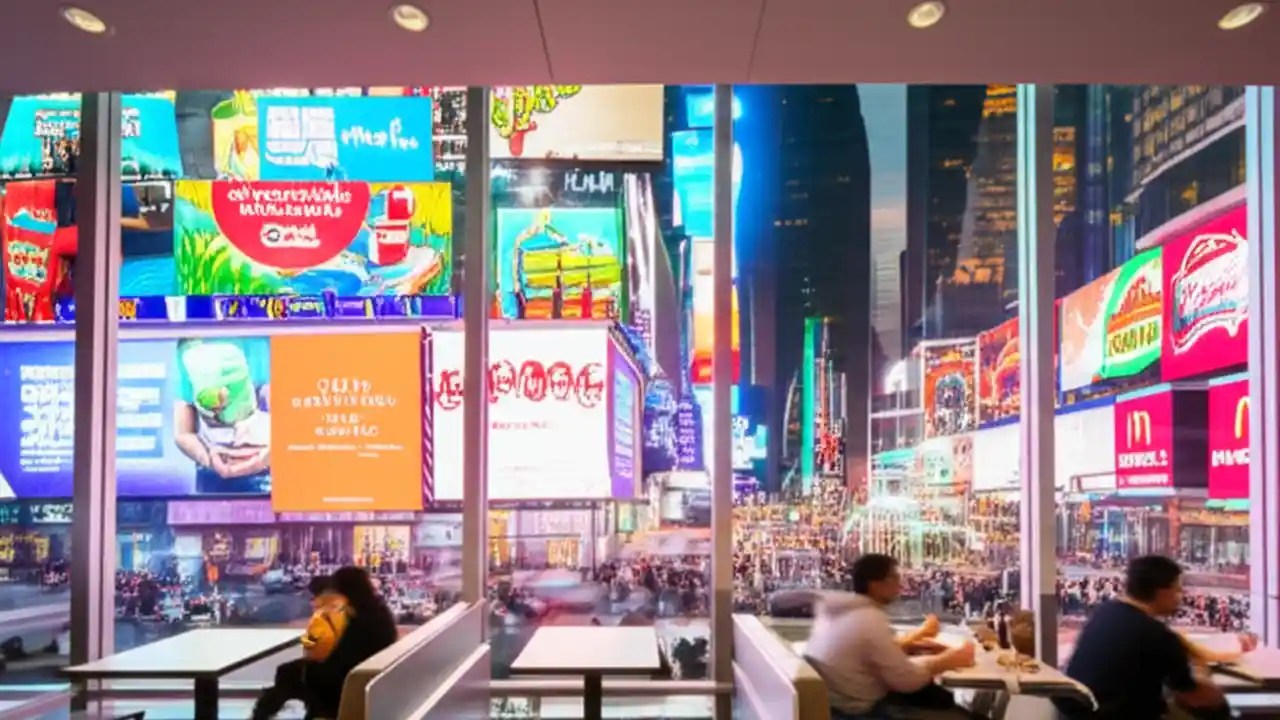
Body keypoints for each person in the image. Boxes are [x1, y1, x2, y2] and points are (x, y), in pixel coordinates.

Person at [772, 554, 977, 719]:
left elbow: (870, 652)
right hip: (857, 711)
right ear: (875, 584)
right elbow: (906, 680)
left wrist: (918, 639)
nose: (900, 585)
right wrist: (948, 660)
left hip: (837, 702)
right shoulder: (869, 619)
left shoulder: (840, 609)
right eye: (894, 578)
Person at [1058, 556, 1231, 720]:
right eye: (1177, 590)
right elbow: (1195, 696)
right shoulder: (1157, 635)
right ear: (1162, 591)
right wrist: (1210, 684)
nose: (1180, 597)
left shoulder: (1105, 612)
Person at [251, 567, 398, 720]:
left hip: (341, 678)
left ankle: (259, 717)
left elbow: (315, 639)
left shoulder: (337, 614)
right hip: (355, 671)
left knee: (286, 672)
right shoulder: (376, 612)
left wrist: (306, 642)